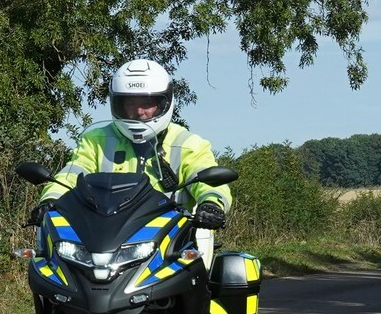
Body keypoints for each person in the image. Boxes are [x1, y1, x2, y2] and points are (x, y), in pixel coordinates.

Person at [29, 57, 232, 244]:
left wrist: (212, 204)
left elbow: (207, 180)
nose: (139, 112)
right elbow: (71, 174)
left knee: (201, 271)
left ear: (164, 103)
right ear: (117, 103)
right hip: (103, 237)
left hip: (171, 240)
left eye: (147, 103)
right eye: (130, 103)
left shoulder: (187, 143)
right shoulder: (96, 140)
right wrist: (50, 201)